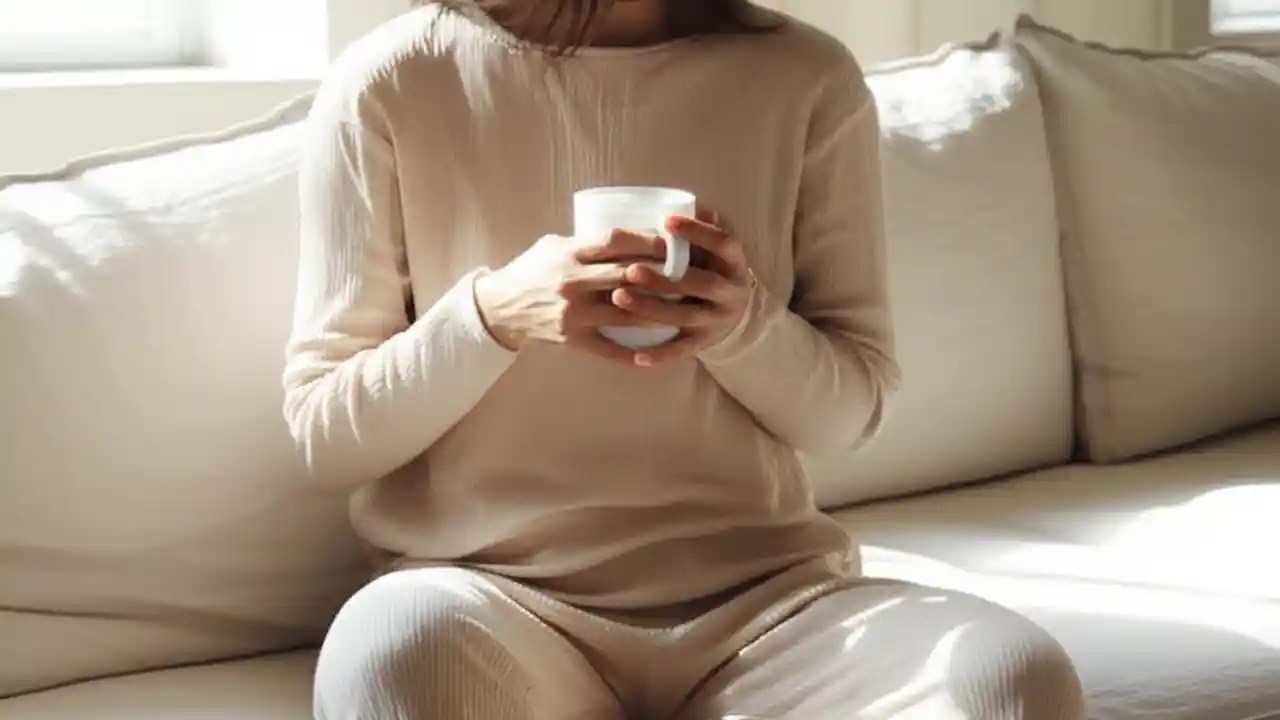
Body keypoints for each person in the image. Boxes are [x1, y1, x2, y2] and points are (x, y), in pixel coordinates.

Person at [283, 0, 1087, 717]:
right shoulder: (392, 81)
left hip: (771, 608)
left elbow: (851, 413)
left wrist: (742, 324)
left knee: (1011, 682)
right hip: (492, 604)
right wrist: (496, 315)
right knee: (391, 651)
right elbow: (325, 437)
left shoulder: (806, 79)